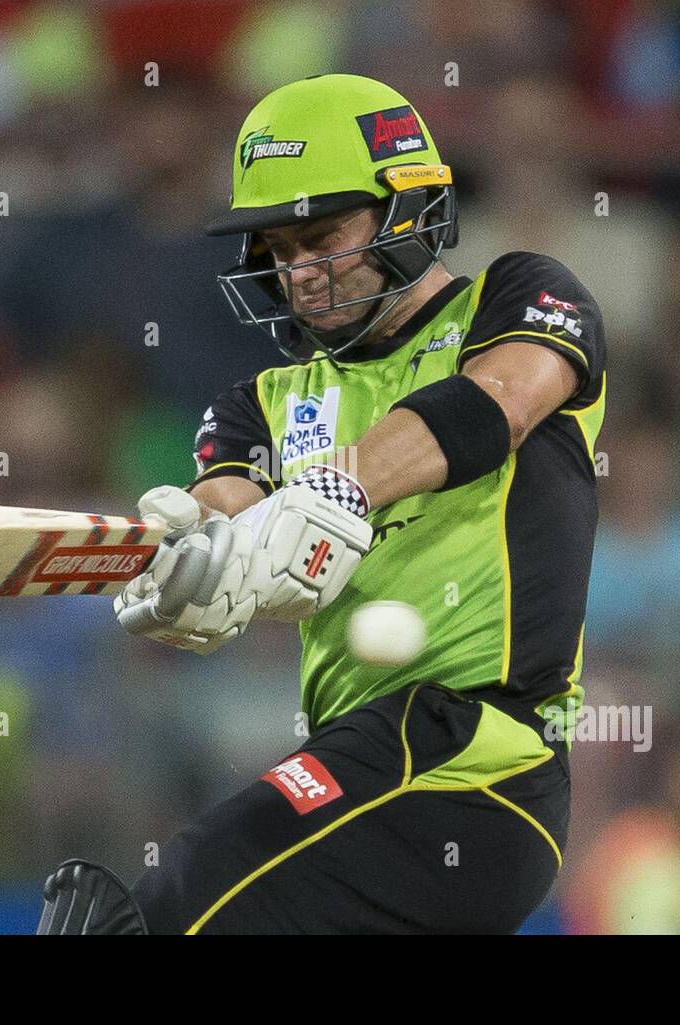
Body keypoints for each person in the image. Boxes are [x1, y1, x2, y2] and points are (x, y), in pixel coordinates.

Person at [37, 73, 607, 935]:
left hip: (479, 759)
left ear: (405, 207)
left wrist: (338, 487)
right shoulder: (258, 401)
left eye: (320, 237)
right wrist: (194, 559)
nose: (298, 273)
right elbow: (224, 505)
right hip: (361, 768)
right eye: (277, 248)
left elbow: (504, 399)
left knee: (182, 892)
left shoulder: (517, 296)